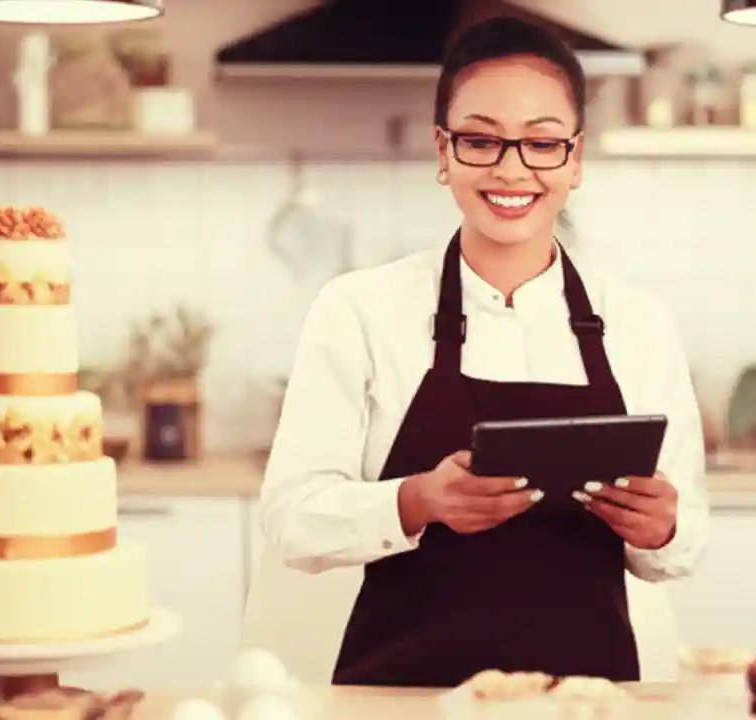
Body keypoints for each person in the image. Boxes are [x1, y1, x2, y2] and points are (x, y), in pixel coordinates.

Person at [258, 15, 709, 688]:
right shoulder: (357, 309)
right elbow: (291, 521)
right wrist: (417, 500)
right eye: (480, 140)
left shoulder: (640, 323)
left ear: (575, 159)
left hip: (589, 703)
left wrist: (662, 528)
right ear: (443, 152)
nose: (511, 168)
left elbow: (684, 540)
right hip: (402, 697)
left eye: (542, 143)